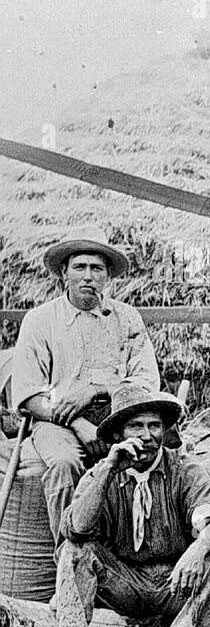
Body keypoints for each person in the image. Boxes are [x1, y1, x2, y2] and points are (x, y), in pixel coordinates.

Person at [41, 387, 210, 627]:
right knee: (75, 550)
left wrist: (198, 550)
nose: (146, 435)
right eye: (136, 426)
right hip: (124, 583)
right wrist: (109, 469)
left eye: (154, 426)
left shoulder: (184, 469)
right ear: (118, 434)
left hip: (175, 583)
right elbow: (77, 528)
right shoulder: (101, 473)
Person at [10, 225, 160, 548]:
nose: (88, 276)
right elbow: (29, 394)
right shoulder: (40, 320)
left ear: (108, 275)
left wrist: (95, 390)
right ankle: (70, 559)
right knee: (63, 466)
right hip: (55, 423)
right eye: (80, 267)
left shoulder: (126, 319)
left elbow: (147, 379)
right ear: (64, 272)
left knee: (146, 458)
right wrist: (78, 424)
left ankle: (134, 558)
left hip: (116, 419)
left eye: (97, 268)